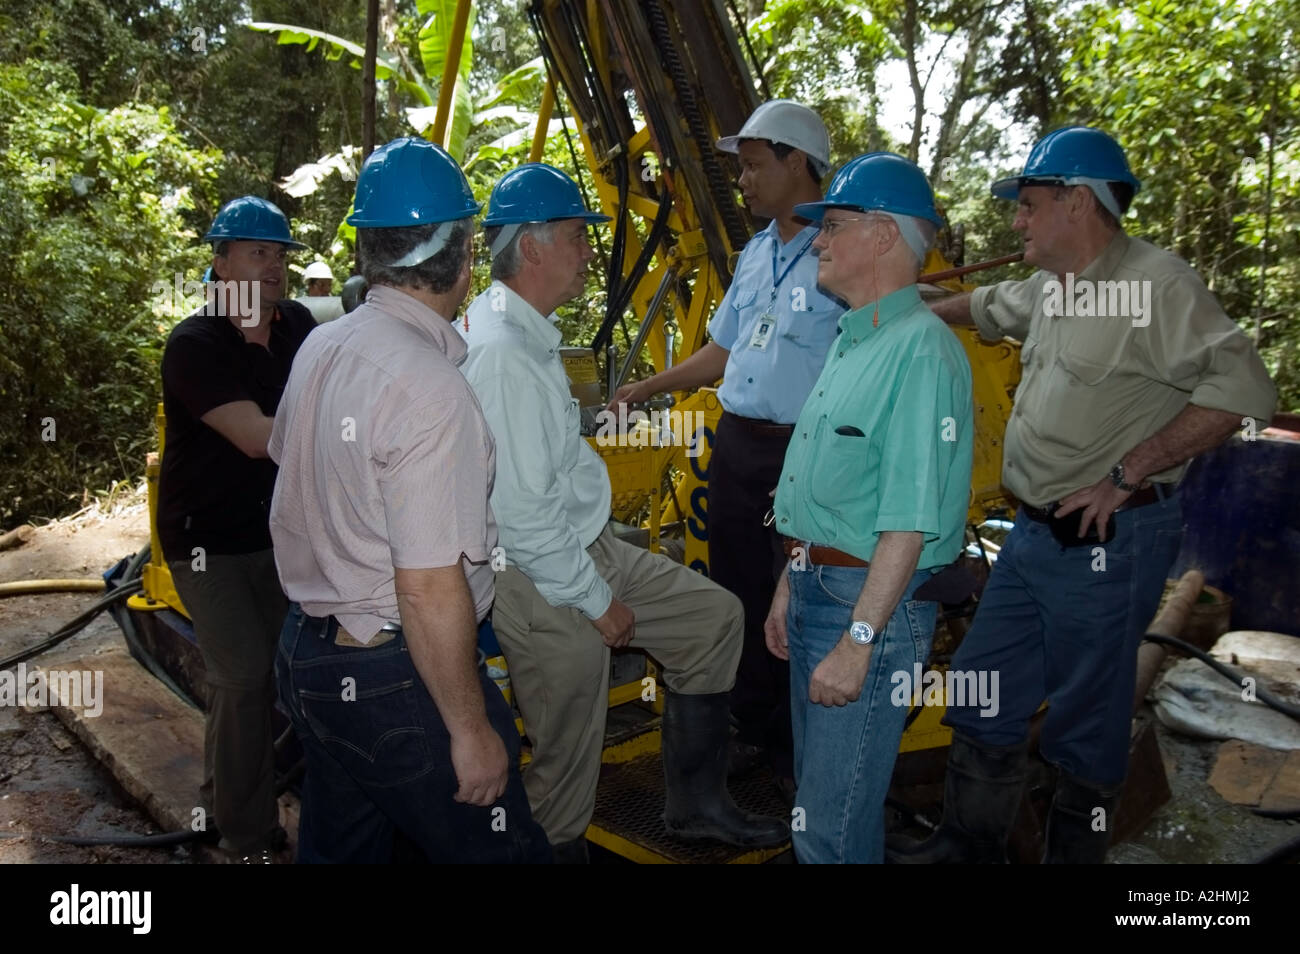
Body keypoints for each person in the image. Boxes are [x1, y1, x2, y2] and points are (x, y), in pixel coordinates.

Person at [889, 126, 1277, 864]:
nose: (1017, 220)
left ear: (1077, 202)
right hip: (1033, 536)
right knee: (981, 689)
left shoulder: (1157, 288)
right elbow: (985, 306)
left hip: (1110, 541)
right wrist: (903, 304)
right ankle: (967, 846)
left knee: (1085, 722)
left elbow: (1245, 391)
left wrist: (1128, 472)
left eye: (1029, 204)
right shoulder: (1054, 287)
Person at [461, 162, 790, 862]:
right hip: (537, 568)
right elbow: (518, 512)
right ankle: (553, 847)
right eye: (579, 238)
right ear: (533, 247)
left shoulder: (527, 333)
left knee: (712, 618)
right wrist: (596, 601)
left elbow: (533, 464)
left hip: (582, 543)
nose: (587, 253)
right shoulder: (502, 352)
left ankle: (697, 808)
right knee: (569, 746)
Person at [268, 138, 550, 864]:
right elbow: (427, 585)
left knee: (344, 850)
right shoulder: (429, 388)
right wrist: (470, 730)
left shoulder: (324, 347)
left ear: (369, 253)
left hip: (309, 655)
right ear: (463, 257)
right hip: (395, 678)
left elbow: (296, 477)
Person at [610, 100, 844, 785]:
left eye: (752, 165)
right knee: (739, 594)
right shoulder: (756, 254)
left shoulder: (841, 249)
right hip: (739, 447)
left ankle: (802, 749)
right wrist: (651, 386)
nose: (741, 180)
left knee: (801, 594)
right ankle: (753, 728)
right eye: (739, 168)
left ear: (797, 163)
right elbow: (723, 349)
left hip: (806, 450)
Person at [761, 153, 973, 864]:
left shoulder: (920, 351)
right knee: (820, 812)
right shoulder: (855, 341)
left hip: (869, 611)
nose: (818, 239)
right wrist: (790, 583)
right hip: (822, 591)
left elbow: (907, 522)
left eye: (835, 225)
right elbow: (827, 494)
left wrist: (857, 643)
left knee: (831, 831)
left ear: (884, 236)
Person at [157, 195, 317, 863]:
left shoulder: (300, 326)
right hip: (208, 542)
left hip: (281, 533)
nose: (273, 266)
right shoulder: (196, 344)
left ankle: (249, 788)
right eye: (257, 252)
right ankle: (245, 837)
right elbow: (256, 438)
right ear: (220, 262)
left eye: (279, 254)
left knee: (303, 666)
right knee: (245, 672)